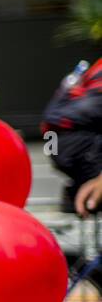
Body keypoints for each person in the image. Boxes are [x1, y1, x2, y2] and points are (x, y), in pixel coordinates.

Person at [42, 58, 102, 216]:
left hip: (52, 140)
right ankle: (87, 198)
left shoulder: (87, 71)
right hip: (66, 140)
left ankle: (76, 193)